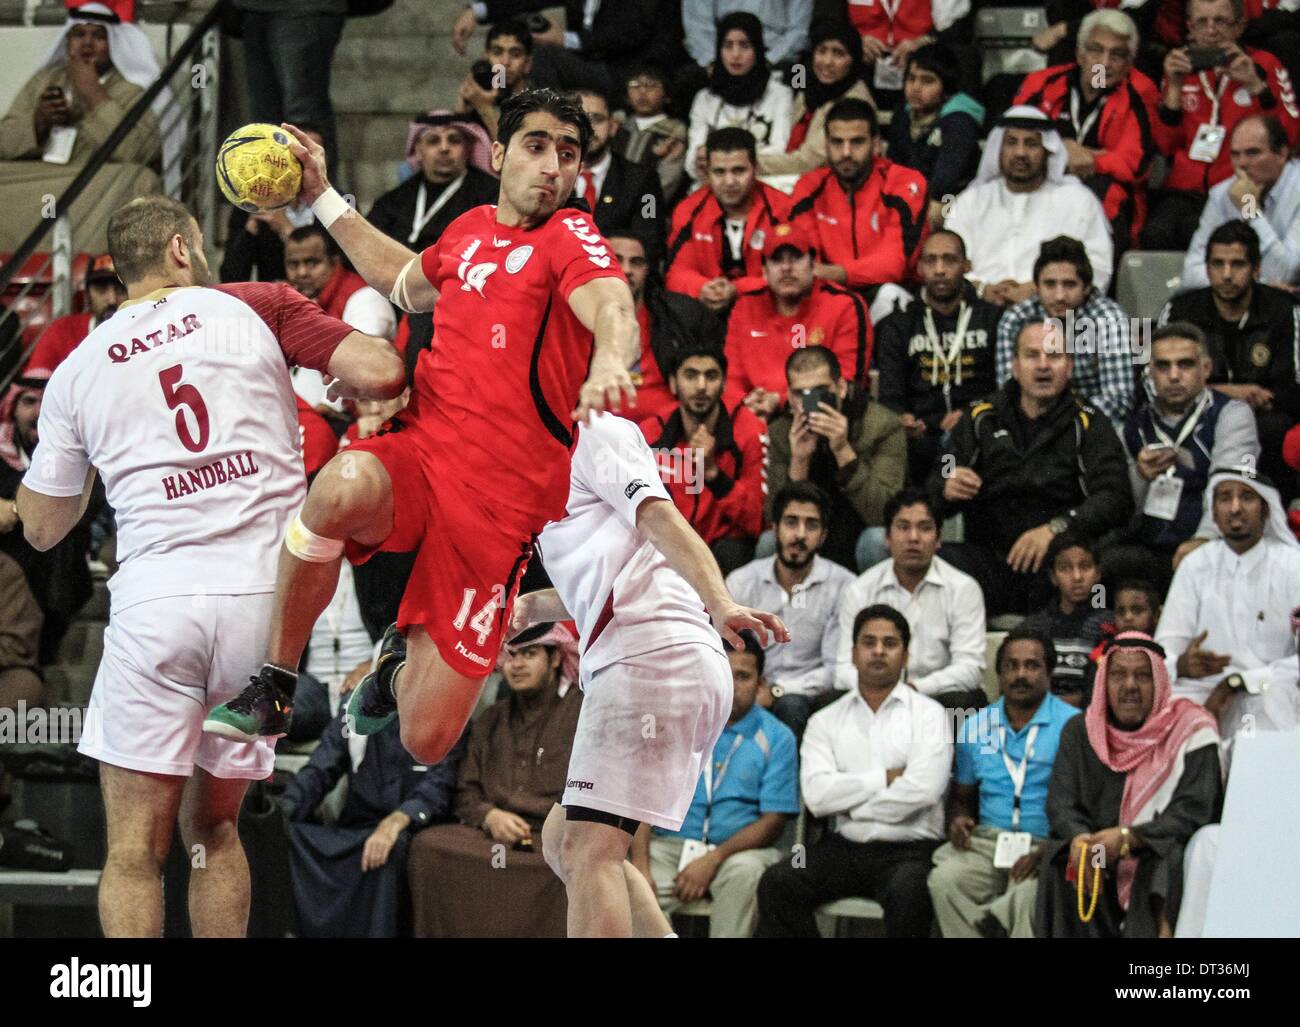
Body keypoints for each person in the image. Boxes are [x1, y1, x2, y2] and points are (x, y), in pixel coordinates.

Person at [204, 91, 639, 771]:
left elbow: (612, 303)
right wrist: (320, 195)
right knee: (339, 485)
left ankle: (395, 664)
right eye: (536, 145)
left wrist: (610, 358)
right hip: (423, 449)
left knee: (424, 739)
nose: (553, 164)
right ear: (496, 154)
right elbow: (403, 281)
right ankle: (278, 682)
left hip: (499, 512)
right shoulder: (467, 230)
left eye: (570, 152)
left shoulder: (569, 236)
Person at [16, 195, 404, 938]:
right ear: (180, 251)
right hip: (265, 613)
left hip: (156, 608)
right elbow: (380, 371)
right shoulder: (256, 304)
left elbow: (41, 528)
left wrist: (101, 463)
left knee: (133, 849)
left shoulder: (77, 368)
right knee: (214, 833)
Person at [509, 411, 787, 937]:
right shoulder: (537, 461)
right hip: (651, 657)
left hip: (653, 658)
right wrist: (528, 609)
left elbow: (658, 517)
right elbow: (600, 586)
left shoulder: (595, 431)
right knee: (565, 840)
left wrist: (720, 599)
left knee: (589, 851)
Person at [755, 604, 951, 939]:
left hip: (909, 852)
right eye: (869, 642)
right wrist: (883, 778)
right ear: (853, 653)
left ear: (905, 655)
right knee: (780, 881)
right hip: (844, 848)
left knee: (910, 895)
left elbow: (923, 791)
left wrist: (851, 804)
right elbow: (817, 797)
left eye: (889, 644)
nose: (878, 651)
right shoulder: (825, 720)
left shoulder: (930, 715)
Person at [930, 320, 1133, 616]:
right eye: (1032, 356)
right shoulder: (980, 416)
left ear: (1070, 367)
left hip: (1059, 566)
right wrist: (948, 480)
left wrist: (1056, 528)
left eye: (1054, 356)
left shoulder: (1088, 422)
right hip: (992, 559)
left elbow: (1115, 497)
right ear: (1014, 366)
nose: (1043, 366)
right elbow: (944, 464)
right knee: (932, 562)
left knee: (1110, 568)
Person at [1033, 632, 1223, 938]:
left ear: (1160, 682)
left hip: (1151, 847)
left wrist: (1128, 839)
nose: (1130, 686)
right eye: (1119, 675)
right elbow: (1061, 803)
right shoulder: (1080, 731)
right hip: (1099, 854)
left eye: (1143, 676)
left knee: (1167, 856)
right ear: (1103, 682)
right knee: (1064, 859)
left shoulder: (1191, 729)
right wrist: (1081, 840)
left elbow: (1196, 810)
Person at [407, 623, 583, 938]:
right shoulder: (491, 718)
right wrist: (490, 816)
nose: (516, 665)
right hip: (492, 835)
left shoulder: (579, 713)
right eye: (511, 655)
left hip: (550, 840)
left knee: (572, 868)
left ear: (555, 659)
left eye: (529, 654)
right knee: (427, 847)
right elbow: (466, 791)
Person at [630, 629, 799, 938]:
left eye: (743, 676)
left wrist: (713, 859)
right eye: (723, 673)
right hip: (671, 847)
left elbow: (774, 821)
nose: (731, 686)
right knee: (630, 880)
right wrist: (640, 863)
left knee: (745, 875)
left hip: (737, 853)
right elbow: (641, 800)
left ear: (761, 684)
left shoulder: (777, 737)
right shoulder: (674, 725)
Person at [928, 625, 1080, 937]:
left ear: (1049, 673)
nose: (1020, 674)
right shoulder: (975, 726)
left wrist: (1051, 850)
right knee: (944, 880)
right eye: (1011, 666)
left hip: (1045, 846)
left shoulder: (1073, 726)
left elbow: (1083, 805)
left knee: (1026, 897)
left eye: (1032, 665)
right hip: (987, 843)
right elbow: (963, 795)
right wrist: (959, 818)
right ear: (999, 674)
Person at [280, 704, 465, 938]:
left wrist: (397, 821)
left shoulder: (447, 711)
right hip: (356, 827)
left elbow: (439, 785)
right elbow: (319, 770)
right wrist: (284, 810)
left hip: (409, 828)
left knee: (387, 852)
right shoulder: (357, 706)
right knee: (288, 834)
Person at [1155, 468, 1300, 747]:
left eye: (1246, 497)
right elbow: (1163, 654)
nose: (1235, 508)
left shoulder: (1293, 566)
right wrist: (1183, 665)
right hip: (1202, 689)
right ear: (1213, 511)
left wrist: (1239, 682)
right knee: (1172, 715)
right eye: (1224, 498)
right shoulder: (1195, 566)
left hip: (1272, 688)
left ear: (1266, 510)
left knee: (1271, 713)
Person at [1143, 0, 1300, 251]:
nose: (1211, 30)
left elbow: (1289, 139)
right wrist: (1173, 88)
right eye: (1202, 22)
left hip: (1245, 189)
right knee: (1154, 235)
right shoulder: (1179, 68)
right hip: (1184, 189)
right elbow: (1165, 146)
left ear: (1239, 27)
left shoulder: (1265, 64)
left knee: (1211, 236)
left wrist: (1256, 87)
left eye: (1220, 21)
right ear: (1190, 28)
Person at [1159, 220, 1300, 498]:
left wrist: (1261, 398)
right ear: (1207, 267)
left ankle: (1271, 511)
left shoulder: (1284, 310)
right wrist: (1226, 394)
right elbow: (1148, 382)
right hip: (1194, 413)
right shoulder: (1179, 309)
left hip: (1266, 422)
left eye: (1237, 265)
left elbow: (1296, 387)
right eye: (1217, 264)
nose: (1226, 274)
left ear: (1256, 268)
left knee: (1273, 429)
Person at [1121, 322, 1259, 578]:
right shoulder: (1133, 425)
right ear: (1150, 372)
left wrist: (1204, 538)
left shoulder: (1231, 414)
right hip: (1147, 545)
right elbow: (1123, 507)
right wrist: (1141, 475)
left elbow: (1231, 483)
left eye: (1185, 364)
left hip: (1213, 540)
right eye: (1163, 366)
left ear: (1206, 368)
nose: (1173, 376)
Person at [1013, 9, 1159, 247]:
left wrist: (1090, 159)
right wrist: (1063, 151)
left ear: (1129, 63)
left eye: (1117, 54)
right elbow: (1011, 139)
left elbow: (1135, 165)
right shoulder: (1042, 83)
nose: (1104, 63)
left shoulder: (1141, 92)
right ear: (1080, 55)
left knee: (1107, 193)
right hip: (1041, 178)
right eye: (1096, 50)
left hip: (1104, 191)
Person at [833, 487, 986, 709]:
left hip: (937, 698)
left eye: (924, 528)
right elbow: (843, 670)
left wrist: (915, 689)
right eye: (903, 527)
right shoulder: (860, 589)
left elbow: (971, 668)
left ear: (939, 538)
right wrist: (885, 690)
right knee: (831, 699)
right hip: (874, 697)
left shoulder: (964, 588)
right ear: (887, 537)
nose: (913, 538)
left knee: (969, 702)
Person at [943, 106, 1115, 302]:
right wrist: (983, 290)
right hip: (978, 310)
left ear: (1047, 151)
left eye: (1031, 143)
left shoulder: (1078, 201)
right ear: (998, 149)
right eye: (1011, 142)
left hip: (1053, 310)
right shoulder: (970, 200)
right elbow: (947, 259)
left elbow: (1098, 268)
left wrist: (1038, 289)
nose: (1021, 152)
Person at [726, 482, 856, 739]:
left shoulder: (844, 585)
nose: (799, 534)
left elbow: (835, 669)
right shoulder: (741, 582)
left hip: (808, 695)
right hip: (746, 686)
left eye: (811, 525)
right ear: (775, 529)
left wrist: (777, 690)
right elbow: (727, 650)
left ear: (823, 536)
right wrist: (752, 688)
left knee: (791, 705)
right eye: (791, 522)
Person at [874, 229, 1001, 484]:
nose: (940, 270)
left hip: (978, 427)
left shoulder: (992, 319)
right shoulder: (898, 325)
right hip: (921, 434)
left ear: (967, 265)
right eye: (931, 261)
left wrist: (973, 412)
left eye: (949, 260)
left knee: (962, 442)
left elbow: (1007, 386)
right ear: (920, 268)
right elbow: (890, 395)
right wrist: (903, 419)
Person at [0, 353, 101, 669]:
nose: (38, 413)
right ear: (12, 408)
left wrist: (17, 509)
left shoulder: (80, 453)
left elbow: (81, 507)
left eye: (46, 403)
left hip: (57, 562)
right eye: (28, 402)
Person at [766, 346, 907, 572]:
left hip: (860, 529)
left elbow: (884, 514)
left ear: (841, 387)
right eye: (800, 394)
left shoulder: (882, 425)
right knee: (767, 544)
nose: (811, 402)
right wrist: (799, 462)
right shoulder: (781, 431)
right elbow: (774, 520)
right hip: (808, 532)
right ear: (790, 395)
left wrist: (843, 451)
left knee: (876, 540)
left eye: (821, 391)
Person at [638, 343, 767, 575]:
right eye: (690, 375)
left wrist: (713, 474)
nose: (701, 386)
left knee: (733, 550)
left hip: (722, 550)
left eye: (711, 376)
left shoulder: (748, 432)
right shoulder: (649, 434)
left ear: (724, 383)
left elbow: (757, 521)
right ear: (673, 383)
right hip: (666, 545)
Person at [723, 220, 873, 419]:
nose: (786, 268)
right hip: (753, 418)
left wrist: (783, 402)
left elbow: (847, 386)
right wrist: (744, 408)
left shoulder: (845, 306)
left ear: (813, 264)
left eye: (795, 258)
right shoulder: (745, 307)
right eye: (777, 260)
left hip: (821, 417)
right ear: (765, 271)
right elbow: (732, 381)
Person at [789, 97, 930, 303]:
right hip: (831, 296)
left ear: (876, 144)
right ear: (826, 144)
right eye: (837, 142)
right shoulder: (809, 187)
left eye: (857, 142)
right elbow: (807, 260)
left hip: (895, 293)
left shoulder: (904, 183)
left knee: (888, 295)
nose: (846, 153)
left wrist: (839, 273)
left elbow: (895, 264)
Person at [994, 235, 1136, 427]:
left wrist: (1059, 423)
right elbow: (1009, 394)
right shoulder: (1016, 320)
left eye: (1069, 285)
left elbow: (1118, 400)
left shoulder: (1108, 318)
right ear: (1036, 286)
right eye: (1050, 285)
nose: (1059, 296)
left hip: (1091, 425)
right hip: (1029, 425)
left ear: (1086, 288)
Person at [0, 3, 160, 166]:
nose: (87, 43)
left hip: (91, 181)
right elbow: (3, 145)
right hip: (41, 176)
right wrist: (39, 122)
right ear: (68, 41)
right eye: (79, 34)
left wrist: (93, 93)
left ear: (113, 44)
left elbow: (138, 153)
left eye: (98, 36)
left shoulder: (131, 90)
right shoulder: (44, 80)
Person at [665, 127, 793, 313]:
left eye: (738, 170)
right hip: (706, 314)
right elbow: (676, 273)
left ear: (756, 168)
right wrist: (702, 288)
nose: (729, 181)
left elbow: (793, 275)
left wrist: (737, 290)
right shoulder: (689, 210)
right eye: (719, 172)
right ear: (707, 172)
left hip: (771, 311)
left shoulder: (783, 208)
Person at [608, 231, 724, 419]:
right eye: (616, 260)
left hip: (664, 437)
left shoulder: (677, 318)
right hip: (594, 435)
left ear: (647, 270)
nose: (627, 270)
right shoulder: (577, 318)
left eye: (636, 262)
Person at [1178, 115, 1300, 292]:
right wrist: (1255, 284)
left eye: (1253, 153)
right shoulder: (1222, 194)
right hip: (1247, 298)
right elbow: (1191, 273)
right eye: (1235, 154)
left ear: (1281, 154)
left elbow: (1286, 272)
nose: (1241, 164)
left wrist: (1249, 208)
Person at [757, 17, 875, 191]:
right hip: (782, 175)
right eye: (822, 51)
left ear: (853, 59)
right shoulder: (808, 82)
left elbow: (806, 162)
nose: (827, 62)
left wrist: (747, 161)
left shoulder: (855, 102)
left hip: (819, 187)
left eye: (838, 53)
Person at [367, 112, 500, 256]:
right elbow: (367, 246)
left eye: (454, 140)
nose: (444, 148)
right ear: (418, 150)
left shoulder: (491, 194)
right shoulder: (394, 200)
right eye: (433, 141)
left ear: (467, 149)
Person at [234, 0, 345, 172]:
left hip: (304, 8)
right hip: (253, 8)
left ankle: (315, 195)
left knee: (304, 120)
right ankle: (275, 195)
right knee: (265, 127)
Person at [685, 13, 794, 185]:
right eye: (728, 46)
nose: (735, 55)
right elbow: (691, 160)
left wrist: (724, 162)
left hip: (764, 182)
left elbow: (779, 151)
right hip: (714, 185)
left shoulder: (780, 94)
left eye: (744, 46)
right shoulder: (705, 98)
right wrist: (698, 161)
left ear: (757, 49)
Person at [885, 42, 984, 226]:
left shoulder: (959, 121)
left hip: (954, 197)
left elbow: (945, 182)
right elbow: (893, 164)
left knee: (934, 212)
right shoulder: (902, 114)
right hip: (911, 192)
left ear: (946, 89)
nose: (916, 87)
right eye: (911, 79)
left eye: (927, 81)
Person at [219, 125, 327, 286]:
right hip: (276, 301)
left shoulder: (337, 200)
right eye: (297, 154)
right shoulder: (253, 201)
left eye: (311, 153)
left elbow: (345, 267)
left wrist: (288, 230)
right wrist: (248, 234)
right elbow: (229, 278)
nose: (305, 161)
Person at [574, 89, 666, 262]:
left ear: (613, 127)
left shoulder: (644, 180)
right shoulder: (547, 175)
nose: (587, 128)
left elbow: (650, 240)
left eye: (597, 119)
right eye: (578, 119)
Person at [1020, 533, 1112, 705]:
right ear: (1053, 577)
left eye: (1085, 566)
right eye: (1065, 568)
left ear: (1098, 573)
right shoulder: (1032, 628)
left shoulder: (1108, 625)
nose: (1077, 577)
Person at [846, 0, 973, 109]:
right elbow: (832, 22)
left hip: (918, 59)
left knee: (964, 55)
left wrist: (924, 42)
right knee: (837, 53)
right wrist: (854, 41)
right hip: (863, 62)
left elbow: (956, 29)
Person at [29, 254, 127, 372]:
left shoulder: (147, 330)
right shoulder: (63, 330)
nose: (112, 299)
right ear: (87, 295)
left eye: (121, 289)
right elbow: (32, 386)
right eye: (101, 289)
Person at [610, 63, 689, 204]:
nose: (642, 92)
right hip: (609, 201)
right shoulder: (616, 125)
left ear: (667, 95)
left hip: (650, 205)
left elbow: (669, 179)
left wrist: (635, 203)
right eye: (635, 85)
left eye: (652, 85)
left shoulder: (674, 131)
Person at [457, 19, 535, 141]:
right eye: (497, 52)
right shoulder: (480, 97)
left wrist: (484, 107)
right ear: (486, 57)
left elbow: (511, 153)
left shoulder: (539, 106)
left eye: (515, 54)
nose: (505, 62)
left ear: (527, 64)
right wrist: (463, 105)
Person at [683, 1, 812, 69]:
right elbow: (696, 24)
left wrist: (771, 59)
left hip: (777, 55)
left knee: (800, 76)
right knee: (687, 79)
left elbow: (799, 29)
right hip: (724, 53)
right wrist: (713, 62)